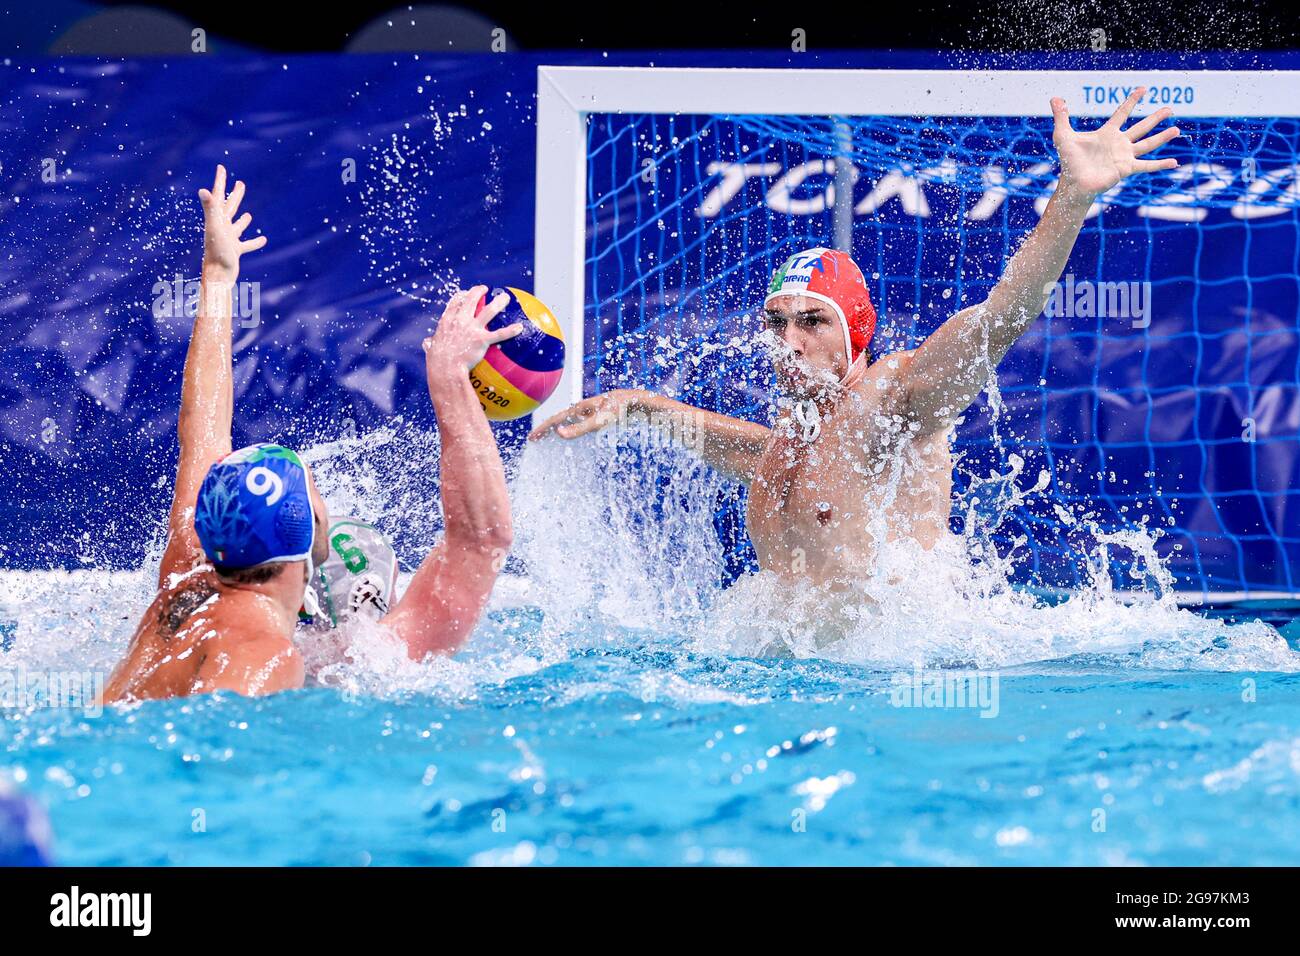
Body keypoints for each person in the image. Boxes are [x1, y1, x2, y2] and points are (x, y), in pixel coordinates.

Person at [531, 90, 1180, 590]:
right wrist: (640, 407)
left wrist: (1071, 196)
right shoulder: (799, 432)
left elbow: (1006, 314)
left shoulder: (897, 399)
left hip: (887, 681)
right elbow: (763, 455)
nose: (789, 339)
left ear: (856, 332)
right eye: (776, 322)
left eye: (812, 322)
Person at [105, 166, 520, 701]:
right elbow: (482, 541)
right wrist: (449, 379)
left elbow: (203, 433)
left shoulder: (187, 578)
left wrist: (217, 278)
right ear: (310, 526)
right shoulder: (270, 658)